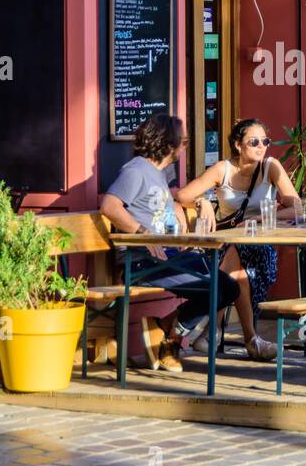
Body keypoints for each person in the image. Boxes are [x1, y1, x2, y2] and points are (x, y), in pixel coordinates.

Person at [100, 114, 239, 373]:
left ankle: (164, 328)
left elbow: (158, 203)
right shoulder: (135, 170)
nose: (185, 146)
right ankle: (170, 340)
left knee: (229, 286)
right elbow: (109, 206)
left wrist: (197, 202)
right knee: (215, 289)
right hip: (141, 260)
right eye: (183, 141)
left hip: (167, 254)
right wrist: (142, 233)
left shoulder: (157, 173)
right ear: (167, 143)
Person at [175, 118, 300, 361]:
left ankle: (213, 331)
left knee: (234, 264)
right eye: (254, 142)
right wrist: (203, 202)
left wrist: (262, 218)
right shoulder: (223, 169)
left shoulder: (270, 167)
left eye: (265, 141)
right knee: (236, 267)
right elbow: (183, 195)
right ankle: (251, 340)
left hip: (261, 250)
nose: (261, 146)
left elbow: (296, 208)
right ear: (237, 145)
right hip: (223, 248)